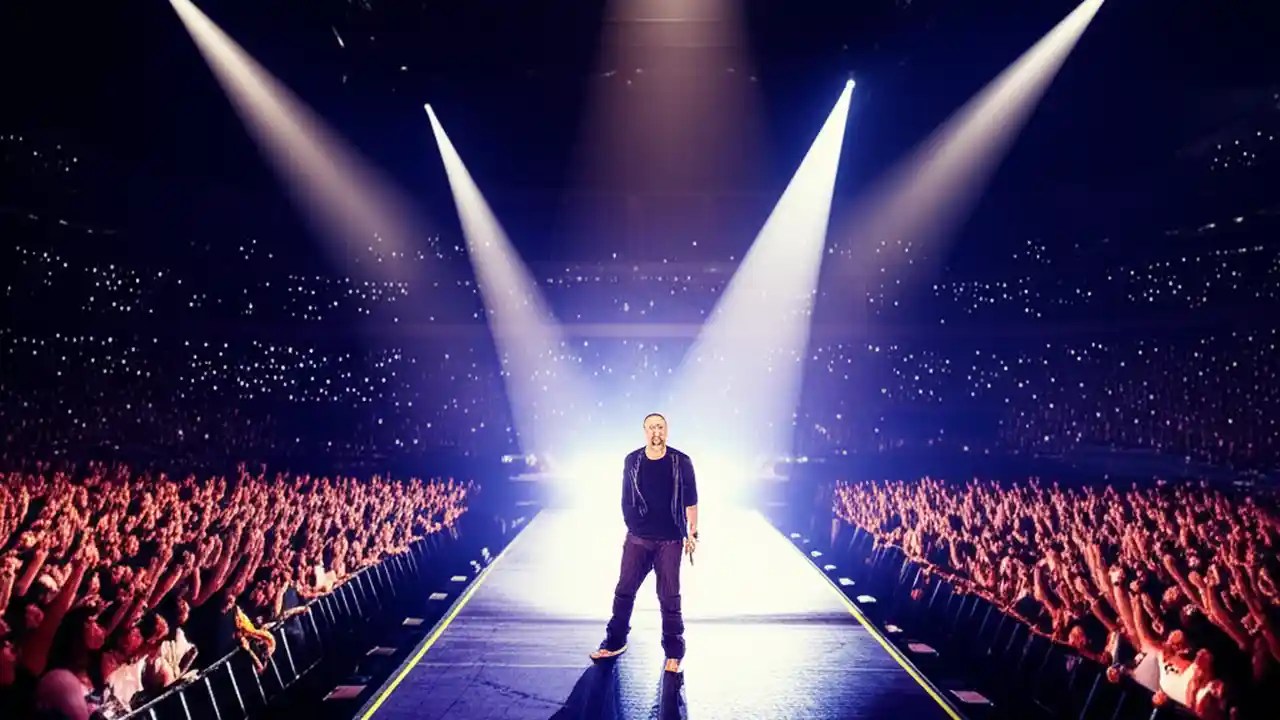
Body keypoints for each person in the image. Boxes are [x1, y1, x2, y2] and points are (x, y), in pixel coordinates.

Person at [590, 413, 698, 673]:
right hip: (638, 539)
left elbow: (691, 501)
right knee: (624, 590)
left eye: (660, 427)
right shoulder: (633, 460)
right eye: (651, 428)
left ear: (667, 430)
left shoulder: (681, 461)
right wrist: (632, 526)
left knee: (669, 596)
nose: (656, 432)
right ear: (644, 431)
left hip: (670, 540)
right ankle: (615, 640)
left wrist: (692, 534)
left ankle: (674, 651)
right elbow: (625, 497)